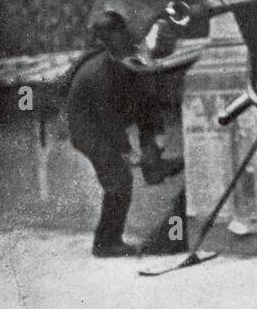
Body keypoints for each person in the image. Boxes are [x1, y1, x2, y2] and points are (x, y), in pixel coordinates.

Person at [64, 48, 186, 257]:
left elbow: (147, 102)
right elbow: (107, 118)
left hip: (111, 120)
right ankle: (106, 243)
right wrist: (127, 151)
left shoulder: (133, 64)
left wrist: (157, 136)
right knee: (119, 180)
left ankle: (153, 168)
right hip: (88, 130)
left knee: (146, 117)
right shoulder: (99, 73)